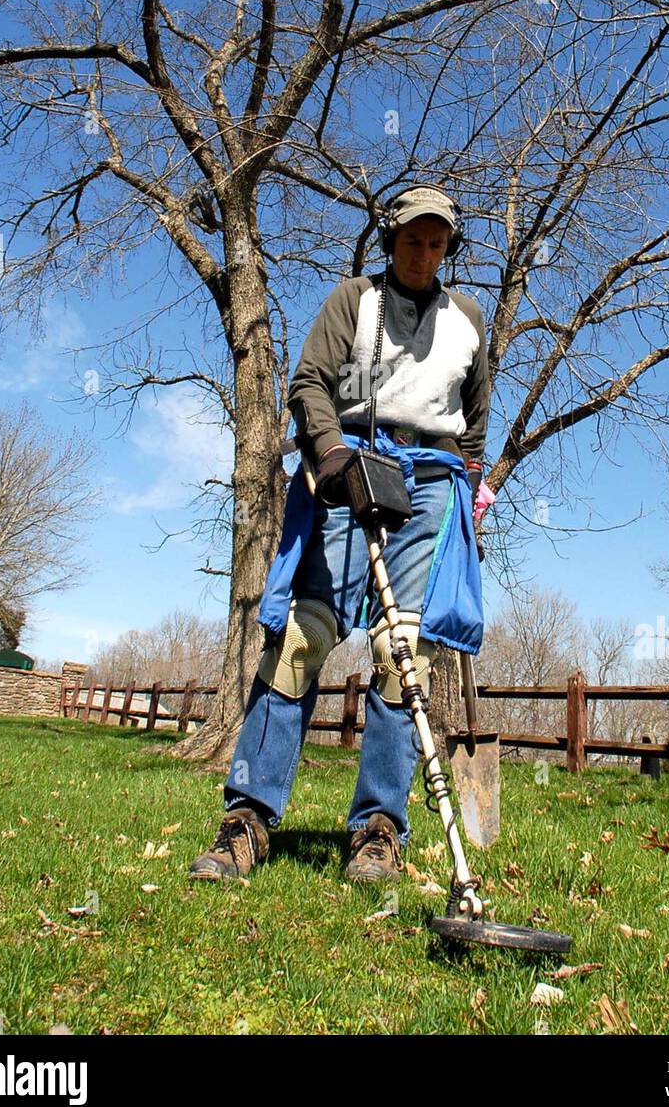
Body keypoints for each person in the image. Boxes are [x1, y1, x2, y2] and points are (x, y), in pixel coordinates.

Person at [189, 184, 492, 885]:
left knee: (400, 652)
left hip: (428, 483)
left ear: (449, 247)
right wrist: (329, 455)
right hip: (349, 463)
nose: (424, 251)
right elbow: (309, 382)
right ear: (391, 240)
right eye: (412, 238)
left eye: (437, 241)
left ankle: (379, 831)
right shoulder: (353, 300)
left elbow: (474, 416)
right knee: (302, 638)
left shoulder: (469, 317)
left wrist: (469, 486)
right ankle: (247, 820)